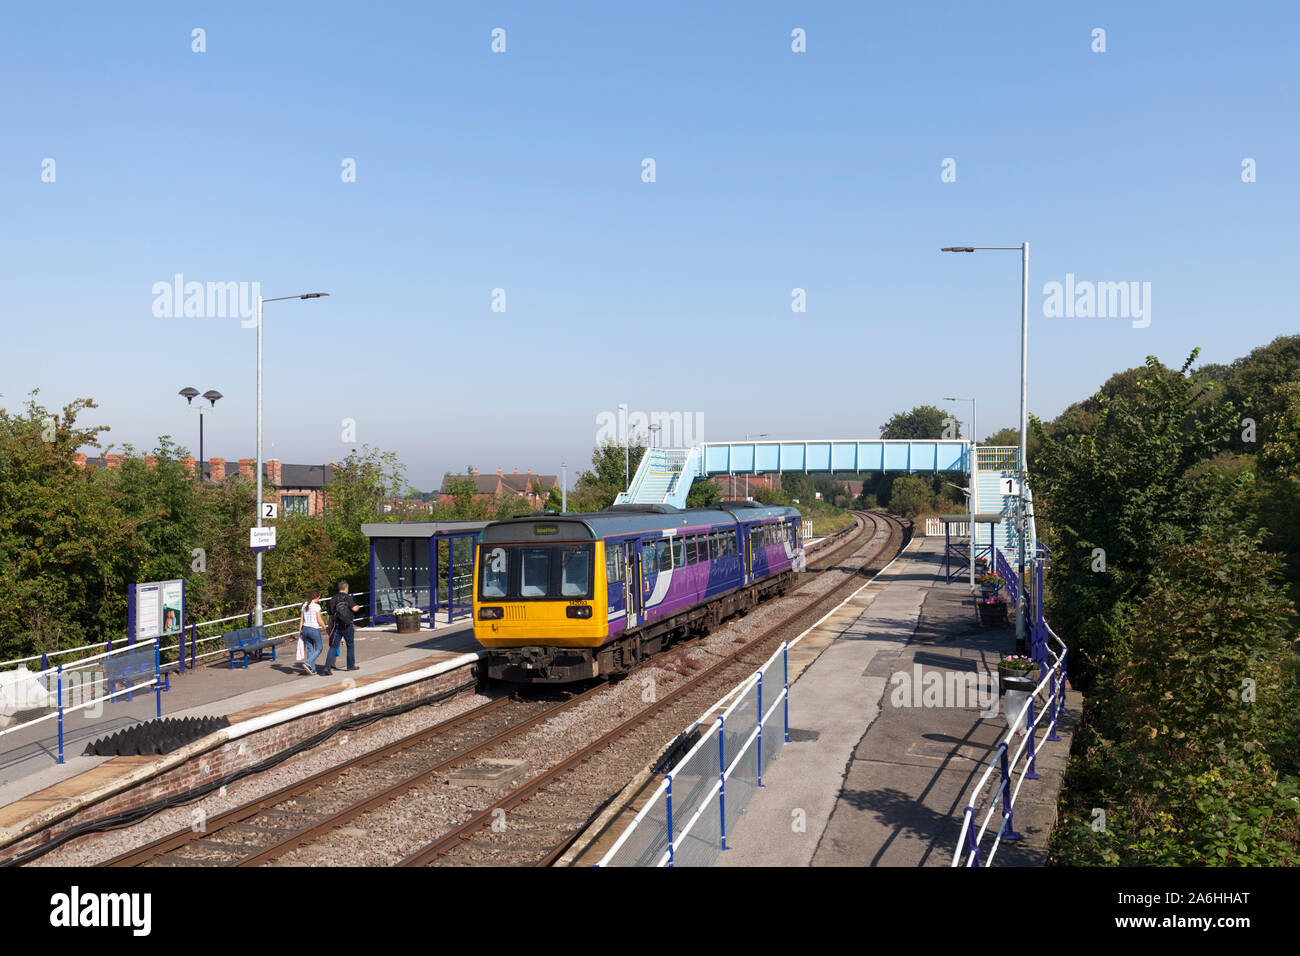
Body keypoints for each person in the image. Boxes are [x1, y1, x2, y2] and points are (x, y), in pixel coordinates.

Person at [326, 579, 362, 672]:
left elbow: (329, 615)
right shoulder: (348, 597)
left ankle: (327, 667)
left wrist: (329, 627)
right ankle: (350, 666)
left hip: (336, 626)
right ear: (346, 588)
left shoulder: (332, 599)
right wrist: (358, 606)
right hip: (347, 625)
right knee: (350, 645)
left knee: (333, 647)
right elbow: (354, 609)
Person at [299, 590, 331, 676]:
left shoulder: (304, 605)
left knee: (310, 649)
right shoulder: (317, 606)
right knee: (319, 648)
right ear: (316, 597)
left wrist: (300, 631)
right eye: (319, 597)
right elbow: (319, 619)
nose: (319, 599)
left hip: (305, 629)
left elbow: (302, 620)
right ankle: (308, 663)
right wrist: (325, 627)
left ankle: (312, 669)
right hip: (313, 629)